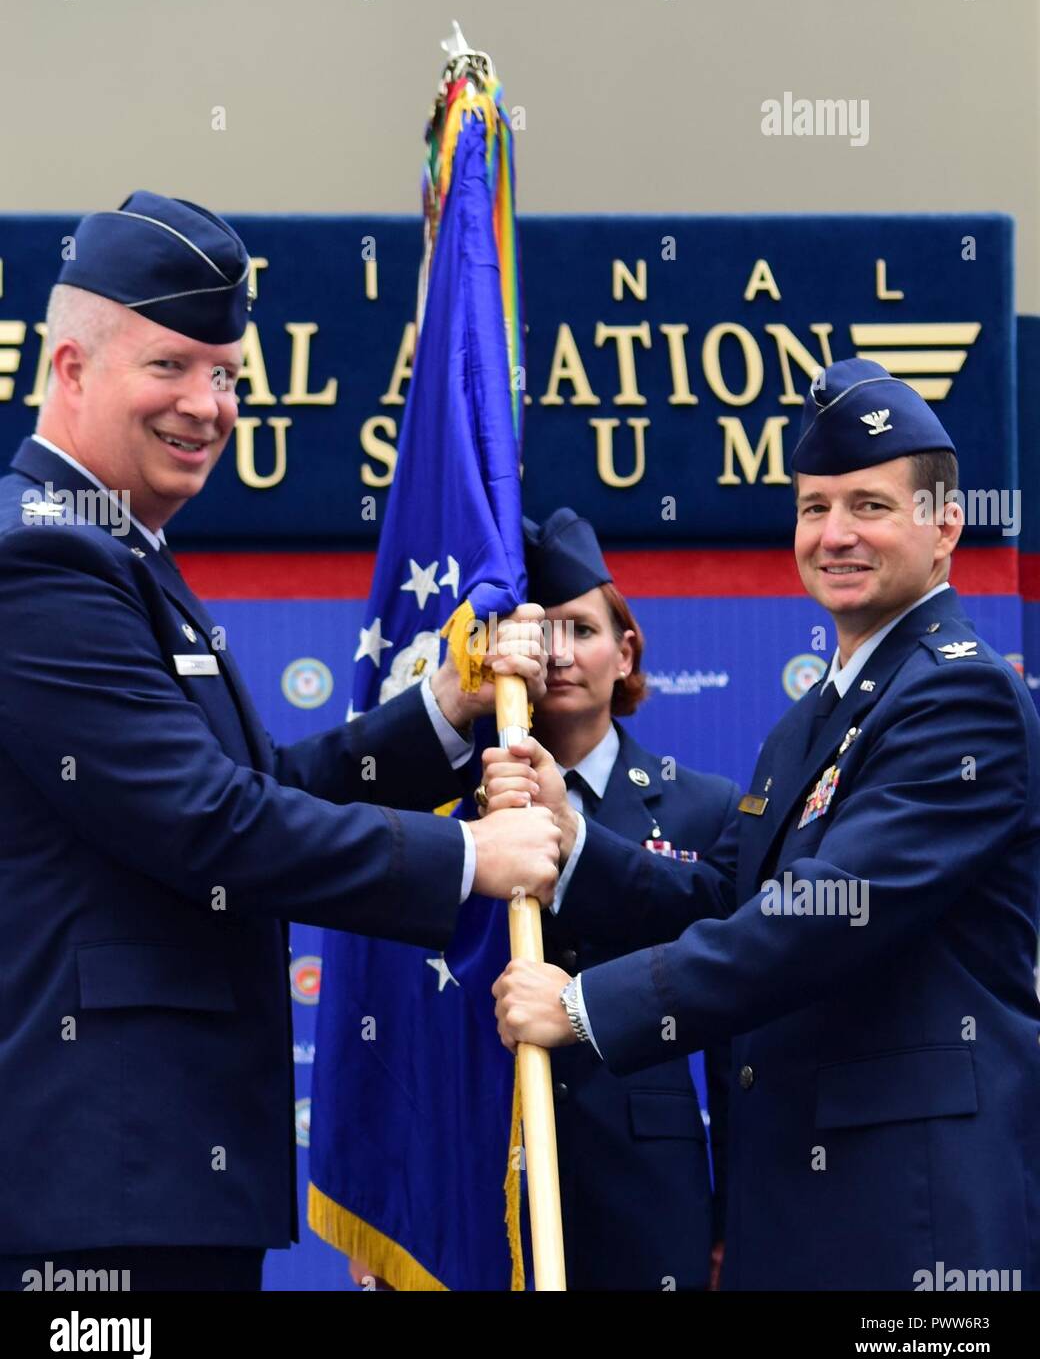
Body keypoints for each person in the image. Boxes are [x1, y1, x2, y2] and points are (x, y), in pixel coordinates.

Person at [0, 191, 558, 1292]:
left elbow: (251, 787)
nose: (207, 404)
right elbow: (207, 824)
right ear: (69, 368)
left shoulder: (120, 553)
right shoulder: (43, 564)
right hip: (95, 1201)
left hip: (152, 1184)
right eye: (172, 365)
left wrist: (441, 712)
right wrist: (466, 859)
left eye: (228, 374)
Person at [489, 358, 1040, 1290]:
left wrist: (586, 1009)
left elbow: (818, 919)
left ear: (944, 525)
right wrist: (571, 842)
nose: (834, 535)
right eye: (814, 506)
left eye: (869, 505)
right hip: (799, 1218)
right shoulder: (809, 721)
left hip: (915, 1227)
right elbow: (719, 894)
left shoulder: (961, 694)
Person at [479, 509, 738, 1290]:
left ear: (625, 650)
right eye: (539, 635)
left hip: (647, 1185)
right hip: (483, 1165)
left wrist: (734, 1214)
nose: (559, 656)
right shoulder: (453, 808)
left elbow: (737, 1016)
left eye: (582, 631)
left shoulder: (703, 807)